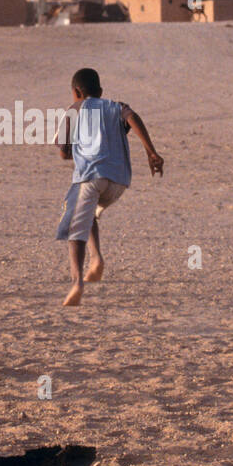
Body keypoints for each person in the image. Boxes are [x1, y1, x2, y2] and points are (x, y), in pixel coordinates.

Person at [55, 68, 163, 306]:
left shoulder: (74, 110)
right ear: (101, 91)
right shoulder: (116, 106)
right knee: (89, 212)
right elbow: (133, 117)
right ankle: (96, 261)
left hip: (91, 176)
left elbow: (63, 153)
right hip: (119, 181)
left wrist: (81, 148)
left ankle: (77, 282)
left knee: (75, 225)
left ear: (76, 92)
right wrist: (151, 152)